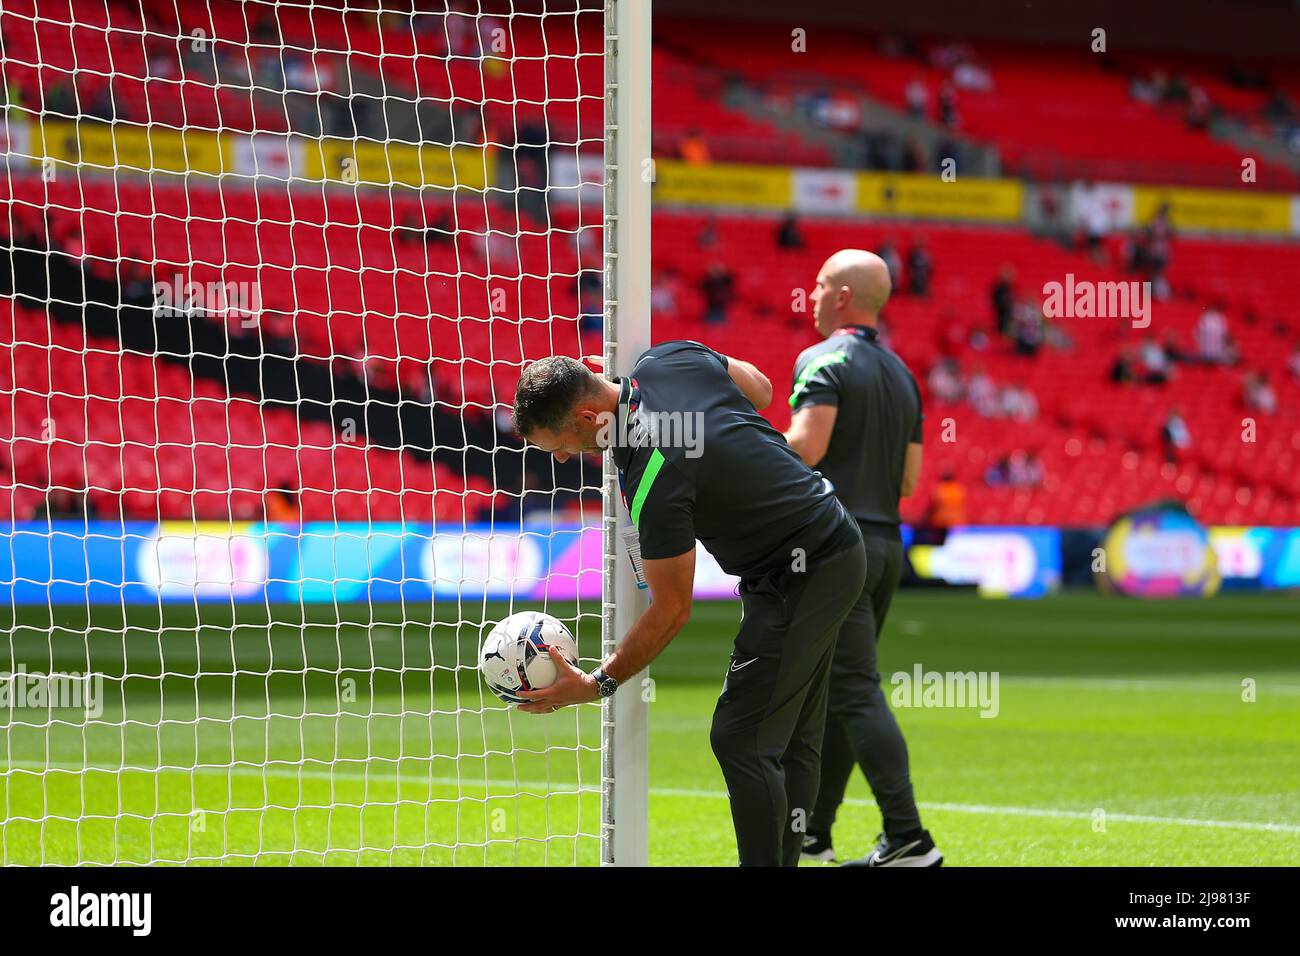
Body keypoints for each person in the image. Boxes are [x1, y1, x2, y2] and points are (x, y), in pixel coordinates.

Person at [510, 348, 867, 867]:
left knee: (742, 738)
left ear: (588, 417)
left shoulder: (652, 472)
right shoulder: (668, 358)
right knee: (789, 738)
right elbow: (763, 389)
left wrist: (595, 683)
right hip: (824, 543)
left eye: (560, 445)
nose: (562, 458)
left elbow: (672, 609)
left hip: (805, 572)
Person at [782, 249, 942, 867]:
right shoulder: (904, 375)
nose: (812, 294)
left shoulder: (822, 359)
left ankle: (908, 838)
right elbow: (908, 480)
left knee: (852, 690)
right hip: (884, 545)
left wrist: (736, 445)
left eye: (820, 284)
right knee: (840, 692)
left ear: (844, 296)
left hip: (833, 545)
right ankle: (817, 833)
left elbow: (807, 447)